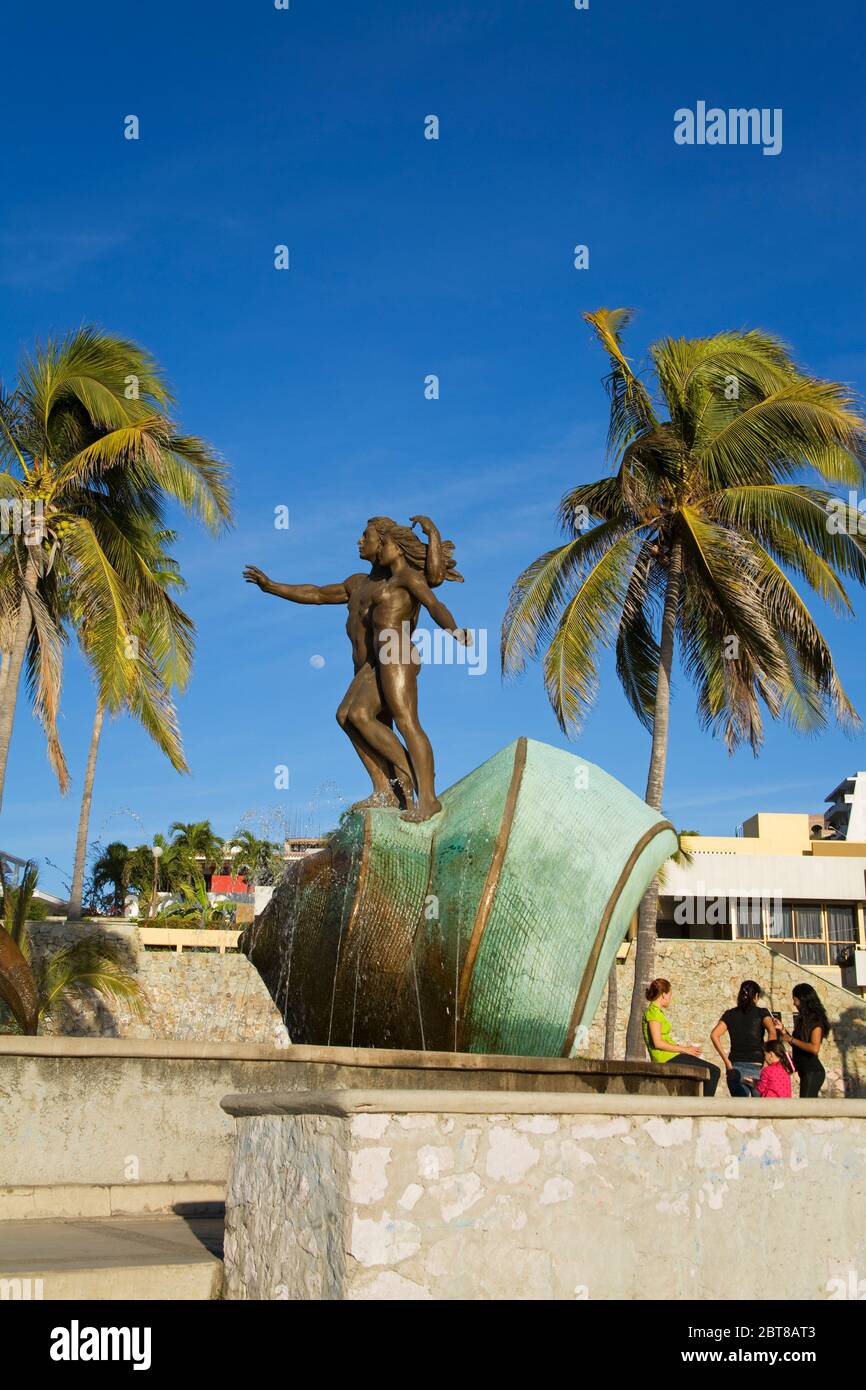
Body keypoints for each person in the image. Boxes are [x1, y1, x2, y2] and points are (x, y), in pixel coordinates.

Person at [642, 978, 720, 1095]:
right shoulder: (653, 1012)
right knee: (713, 1071)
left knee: (707, 1072)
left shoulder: (656, 1012)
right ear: (664, 995)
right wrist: (685, 1050)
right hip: (666, 1058)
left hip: (671, 1056)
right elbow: (658, 1042)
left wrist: (683, 1048)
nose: (670, 998)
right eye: (670, 995)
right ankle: (705, 1107)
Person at [710, 980, 777, 1097]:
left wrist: (727, 1062)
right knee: (759, 1109)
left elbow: (714, 1035)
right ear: (756, 996)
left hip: (735, 1066)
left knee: (741, 1109)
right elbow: (772, 1032)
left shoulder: (730, 1014)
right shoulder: (762, 1012)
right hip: (758, 1065)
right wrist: (766, 1063)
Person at [777, 983, 830, 1098]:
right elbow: (798, 1042)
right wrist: (783, 1030)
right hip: (805, 1071)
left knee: (807, 1106)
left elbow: (814, 1048)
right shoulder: (804, 1020)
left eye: (795, 1000)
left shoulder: (816, 1022)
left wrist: (791, 1039)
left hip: (812, 1071)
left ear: (802, 1000)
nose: (794, 1003)